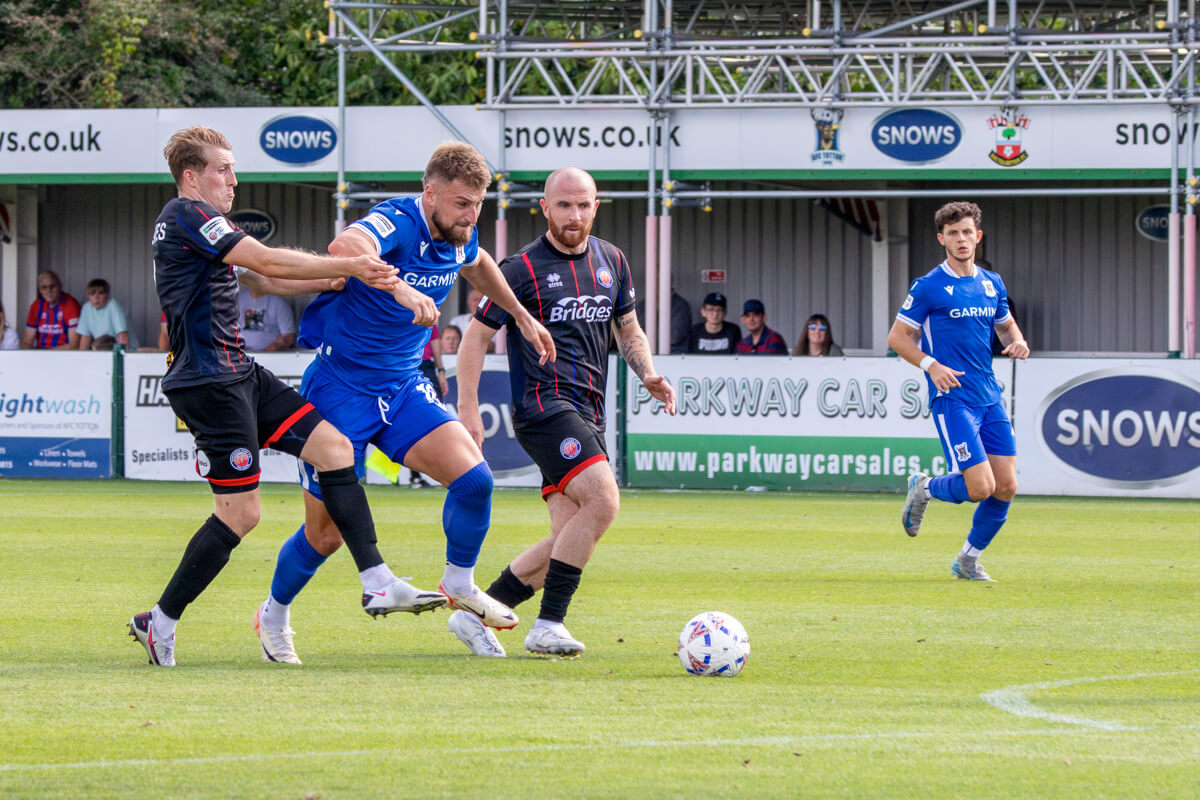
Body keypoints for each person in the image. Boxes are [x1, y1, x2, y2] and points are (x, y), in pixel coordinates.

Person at [250, 141, 556, 665]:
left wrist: (521, 316)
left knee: (475, 479)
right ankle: (273, 614)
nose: (471, 214)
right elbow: (344, 246)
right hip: (339, 388)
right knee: (324, 535)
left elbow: (477, 261)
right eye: (462, 203)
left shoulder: (460, 231)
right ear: (429, 193)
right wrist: (400, 290)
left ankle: (459, 583)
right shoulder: (396, 219)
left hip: (402, 385)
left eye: (479, 204)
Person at [127, 125, 401, 667]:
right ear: (191, 176)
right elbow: (270, 262)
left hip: (238, 372)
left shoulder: (205, 224)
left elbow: (262, 282)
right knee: (240, 515)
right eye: (222, 169)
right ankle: (159, 621)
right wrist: (348, 264)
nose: (234, 179)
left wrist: (329, 282)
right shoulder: (186, 215)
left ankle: (376, 581)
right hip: (208, 382)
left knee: (335, 449)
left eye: (232, 168)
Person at [453, 166, 677, 658]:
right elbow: (476, 337)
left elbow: (629, 327)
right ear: (545, 208)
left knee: (567, 535)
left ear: (597, 207)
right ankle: (547, 624)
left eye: (583, 205)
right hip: (543, 408)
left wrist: (648, 373)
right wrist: (467, 408)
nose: (574, 215)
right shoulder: (520, 268)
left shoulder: (612, 260)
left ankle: (474, 614)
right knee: (604, 501)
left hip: (588, 410)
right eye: (564, 205)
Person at [889, 201, 1029, 582]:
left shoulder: (992, 283)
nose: (961, 239)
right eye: (953, 233)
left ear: (977, 236)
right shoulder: (928, 286)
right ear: (942, 239)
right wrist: (930, 365)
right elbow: (898, 337)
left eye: (967, 231)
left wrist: (1017, 341)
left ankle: (968, 559)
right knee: (980, 487)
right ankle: (925, 487)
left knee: (1006, 485)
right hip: (953, 398)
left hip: (990, 396)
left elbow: (1006, 327)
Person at [408, 323, 449, 489]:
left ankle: (420, 475)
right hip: (412, 365)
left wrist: (441, 370)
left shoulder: (428, 308)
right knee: (416, 421)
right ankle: (415, 476)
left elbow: (435, 339)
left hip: (424, 365)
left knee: (433, 418)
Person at [21, 270, 81, 350]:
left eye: (52, 286)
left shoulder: (71, 305)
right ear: (40, 290)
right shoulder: (36, 306)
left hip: (65, 356)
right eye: (44, 287)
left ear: (60, 286)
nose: (48, 290)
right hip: (40, 355)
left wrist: (47, 355)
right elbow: (27, 341)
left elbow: (74, 345)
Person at [77, 278, 139, 350]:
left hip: (125, 351)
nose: (96, 297)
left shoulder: (114, 307)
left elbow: (123, 337)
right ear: (88, 296)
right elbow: (85, 338)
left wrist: (121, 357)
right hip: (102, 349)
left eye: (100, 293)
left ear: (107, 294)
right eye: (92, 293)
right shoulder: (86, 308)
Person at [237, 284, 296, 351]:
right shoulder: (238, 300)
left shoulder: (278, 302)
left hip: (270, 356)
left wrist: (265, 353)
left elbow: (288, 337)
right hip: (240, 355)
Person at [449, 287, 504, 354]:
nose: (478, 304)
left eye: (482, 301)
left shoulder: (496, 322)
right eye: (475, 300)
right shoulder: (456, 321)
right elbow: (447, 346)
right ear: (468, 302)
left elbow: (492, 346)